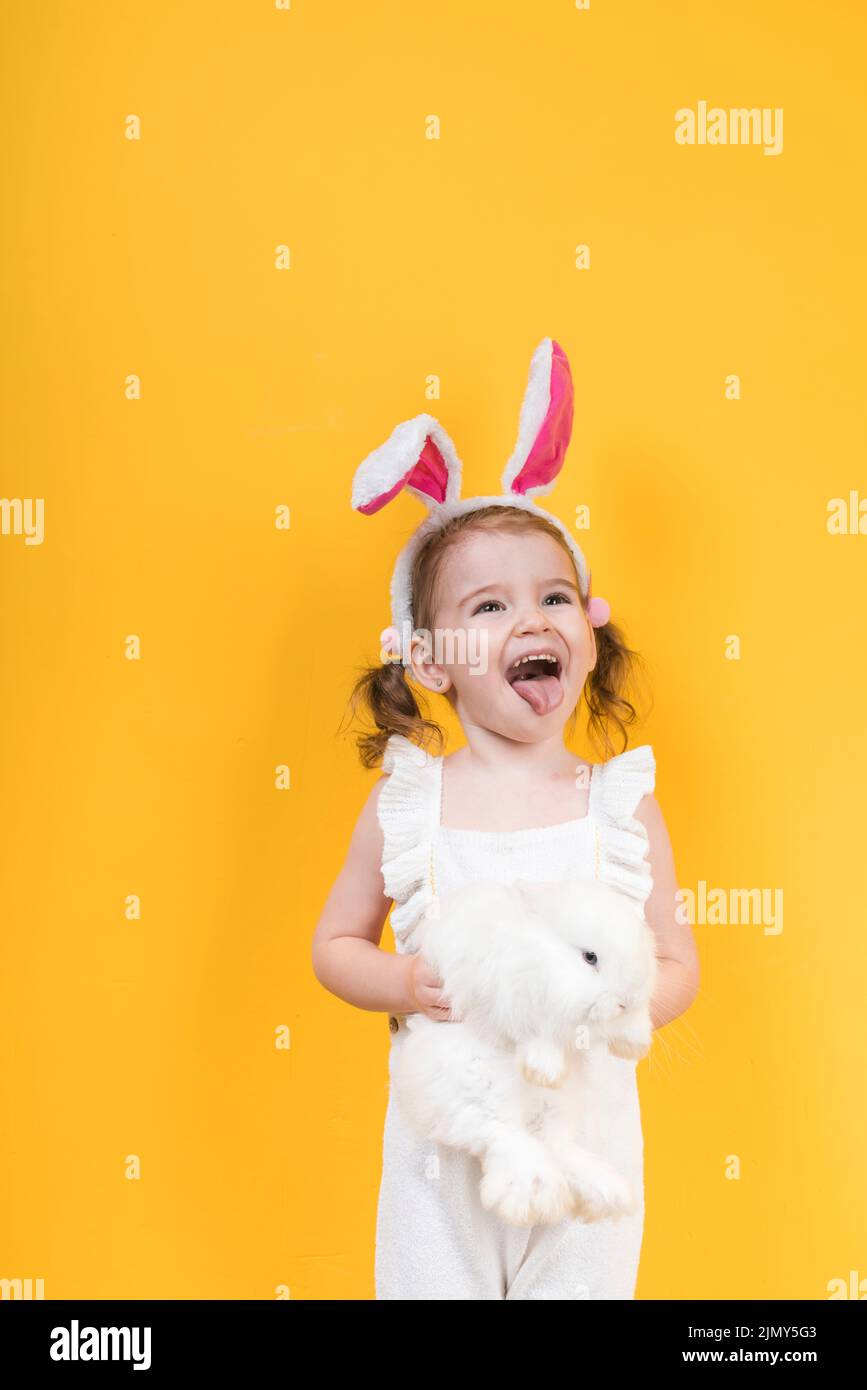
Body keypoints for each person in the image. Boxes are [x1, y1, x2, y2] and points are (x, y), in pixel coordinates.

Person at [312, 338, 700, 1299]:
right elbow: (332, 944)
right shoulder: (411, 806)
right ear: (432, 660)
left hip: (585, 1157)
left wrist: (611, 1014)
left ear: (585, 628)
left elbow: (678, 961)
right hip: (441, 1162)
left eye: (554, 596)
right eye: (489, 606)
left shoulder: (618, 807)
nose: (532, 621)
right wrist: (403, 978)